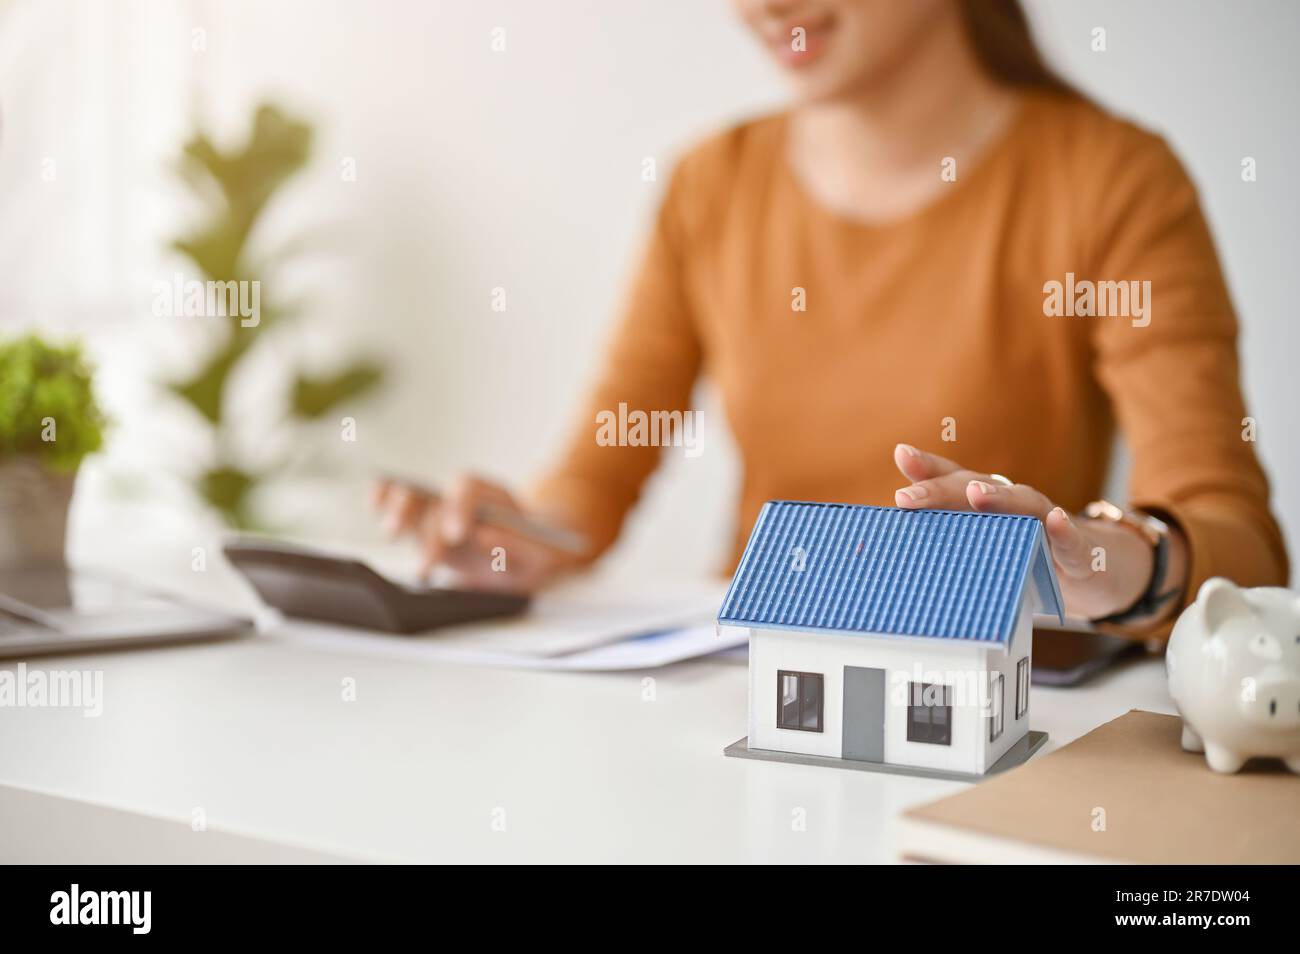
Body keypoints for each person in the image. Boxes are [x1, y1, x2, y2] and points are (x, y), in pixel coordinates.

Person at [371, 0, 1287, 639]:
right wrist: (516, 541)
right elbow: (592, 486)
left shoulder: (1114, 181)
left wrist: (1103, 565)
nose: (764, 4)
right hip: (748, 704)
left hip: (1008, 740)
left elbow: (1237, 545)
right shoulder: (712, 184)